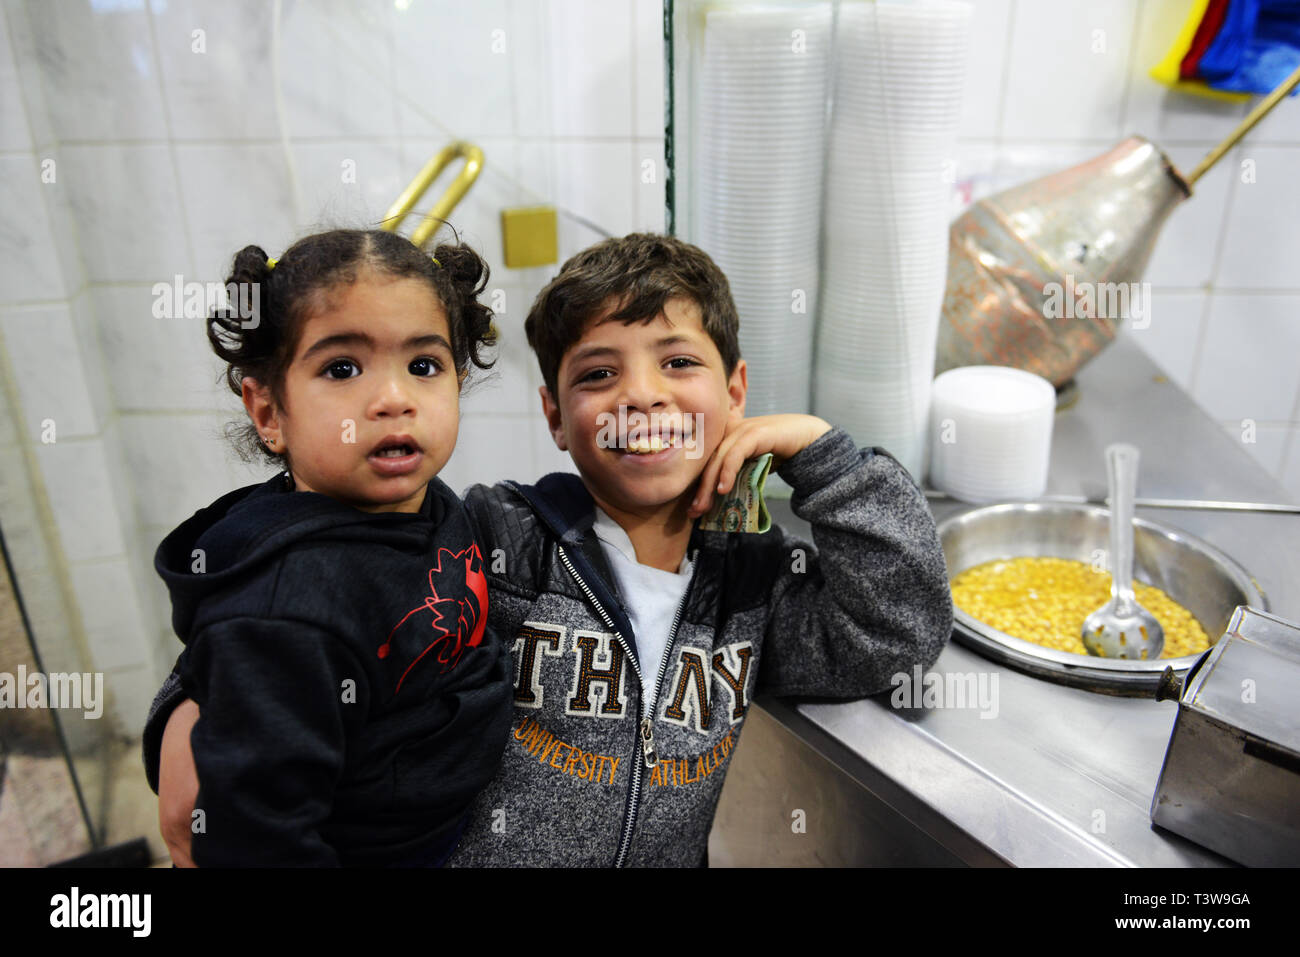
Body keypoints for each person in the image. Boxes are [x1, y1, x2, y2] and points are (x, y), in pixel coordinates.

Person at [147, 232, 953, 867]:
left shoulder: (755, 586)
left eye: (678, 362)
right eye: (599, 374)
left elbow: (891, 635)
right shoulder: (492, 541)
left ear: (735, 391)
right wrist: (183, 707)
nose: (642, 393)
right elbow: (303, 603)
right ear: (555, 417)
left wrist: (826, 458)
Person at [147, 228, 513, 866]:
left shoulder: (425, 500)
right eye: (342, 368)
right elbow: (256, 839)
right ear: (268, 413)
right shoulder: (286, 608)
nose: (394, 399)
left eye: (423, 366)